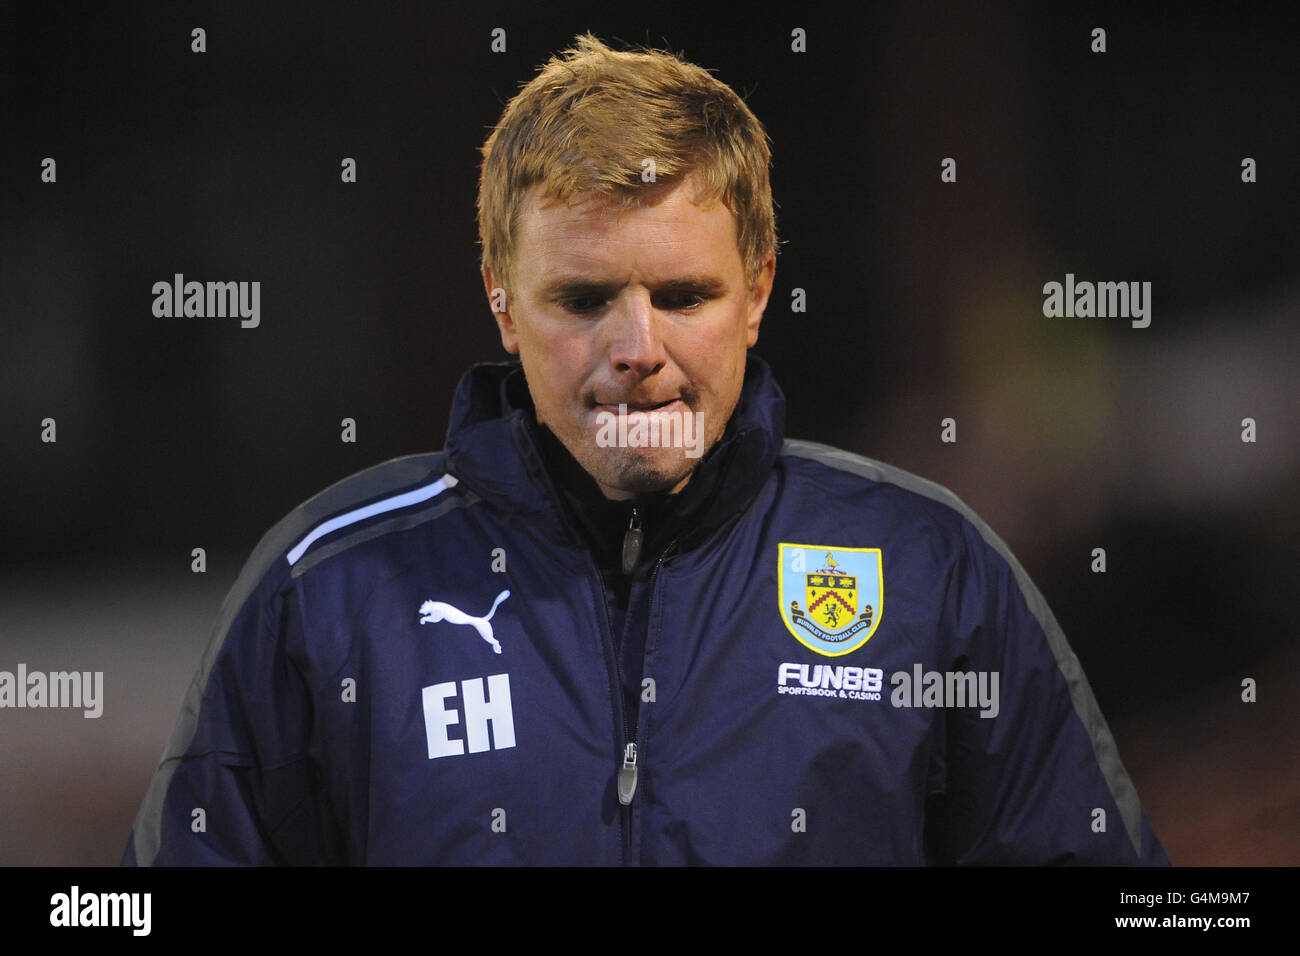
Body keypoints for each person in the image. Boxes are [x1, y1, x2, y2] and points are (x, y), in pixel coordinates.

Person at [123, 33, 1169, 865]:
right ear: (501, 302)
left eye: (683, 296)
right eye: (583, 299)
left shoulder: (930, 571)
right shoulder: (329, 589)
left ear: (757, 292)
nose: (638, 350)